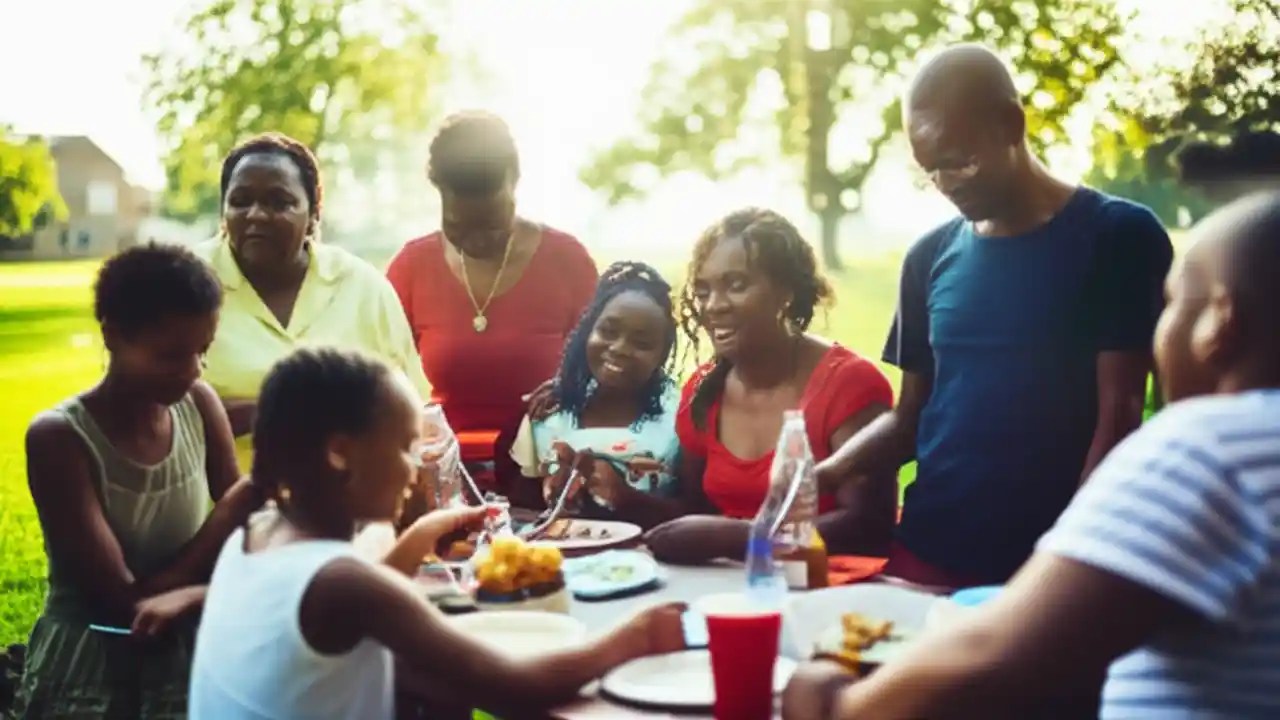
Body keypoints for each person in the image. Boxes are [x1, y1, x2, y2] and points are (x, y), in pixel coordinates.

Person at [783, 191, 1280, 720]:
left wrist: (834, 702)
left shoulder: (1209, 450)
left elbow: (988, 663)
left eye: (1174, 301)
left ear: (1219, 324)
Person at [815, 44, 1174, 587]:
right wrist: (819, 474)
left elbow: (1119, 417)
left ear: (1011, 124)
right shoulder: (928, 257)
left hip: (1046, 563)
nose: (947, 183)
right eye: (930, 170)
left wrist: (1069, 562)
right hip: (929, 548)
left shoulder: (1117, 237)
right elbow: (909, 417)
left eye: (959, 160)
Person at [189, 347, 687, 719]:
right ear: (340, 452)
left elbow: (354, 580)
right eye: (406, 447)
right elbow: (510, 684)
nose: (417, 466)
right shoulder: (343, 583)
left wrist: (423, 533)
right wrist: (632, 637)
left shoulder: (257, 534)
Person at [13, 244, 265, 718]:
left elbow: (245, 538)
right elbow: (123, 604)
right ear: (113, 336)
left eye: (202, 352)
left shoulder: (197, 403)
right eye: (170, 356)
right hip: (96, 668)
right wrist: (235, 506)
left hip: (191, 648)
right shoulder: (61, 439)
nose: (192, 370)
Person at [644, 208, 896, 564]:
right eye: (703, 291)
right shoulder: (703, 391)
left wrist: (740, 539)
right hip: (729, 587)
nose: (713, 306)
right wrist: (615, 495)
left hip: (826, 590)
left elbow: (868, 527)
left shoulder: (849, 386)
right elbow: (693, 511)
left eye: (736, 285)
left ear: (786, 293)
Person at [193, 132, 430, 471]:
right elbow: (147, 417)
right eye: (240, 201)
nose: (256, 215)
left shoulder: (362, 287)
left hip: (349, 512)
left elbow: (415, 414)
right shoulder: (182, 285)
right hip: (216, 513)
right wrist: (282, 415)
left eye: (279, 202)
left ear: (314, 213)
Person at [386, 111, 597, 489]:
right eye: (458, 226)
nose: (477, 239)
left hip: (546, 468)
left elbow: (606, 374)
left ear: (515, 182)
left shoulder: (567, 261)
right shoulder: (411, 268)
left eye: (492, 223)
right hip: (445, 470)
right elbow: (382, 381)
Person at [509, 261, 681, 528]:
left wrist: (626, 498)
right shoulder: (550, 412)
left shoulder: (678, 422)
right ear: (588, 332)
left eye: (642, 343)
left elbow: (693, 511)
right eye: (608, 332)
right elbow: (519, 502)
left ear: (662, 355)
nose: (620, 348)